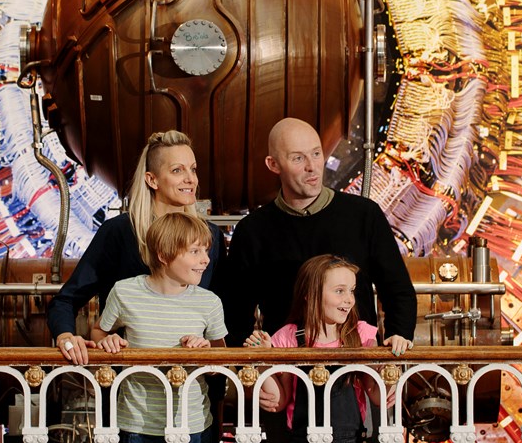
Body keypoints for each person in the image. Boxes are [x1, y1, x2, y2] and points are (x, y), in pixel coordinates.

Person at [222, 117, 417, 354]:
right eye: (298, 158)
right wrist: (252, 365)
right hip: (286, 368)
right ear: (273, 164)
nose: (312, 166)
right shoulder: (252, 230)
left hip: (356, 364)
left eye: (316, 154)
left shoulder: (364, 215)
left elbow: (398, 290)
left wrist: (397, 340)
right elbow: (235, 313)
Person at [49, 130, 226, 364]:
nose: (191, 179)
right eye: (177, 170)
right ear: (152, 180)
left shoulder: (211, 236)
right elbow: (66, 300)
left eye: (193, 169)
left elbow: (222, 312)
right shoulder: (119, 232)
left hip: (191, 379)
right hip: (128, 377)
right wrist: (66, 338)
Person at [93, 212, 227, 443]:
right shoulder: (124, 292)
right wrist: (106, 341)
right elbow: (98, 331)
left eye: (206, 251)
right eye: (195, 251)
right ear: (164, 255)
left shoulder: (210, 302)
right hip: (135, 424)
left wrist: (206, 353)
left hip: (192, 423)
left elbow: (221, 362)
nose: (206, 259)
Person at [245, 255, 379, 443]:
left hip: (351, 439)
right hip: (301, 438)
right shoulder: (288, 337)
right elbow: (277, 401)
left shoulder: (362, 335)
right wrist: (263, 359)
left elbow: (378, 395)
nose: (349, 299)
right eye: (340, 291)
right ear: (310, 294)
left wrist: (395, 353)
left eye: (352, 291)